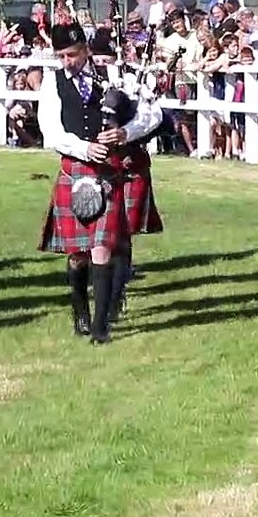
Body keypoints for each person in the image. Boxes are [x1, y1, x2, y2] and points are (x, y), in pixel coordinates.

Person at [37, 21, 160, 344]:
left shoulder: (112, 77)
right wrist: (84, 147)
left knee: (102, 249)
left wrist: (126, 132)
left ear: (86, 50)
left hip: (108, 174)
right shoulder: (52, 84)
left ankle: (101, 326)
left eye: (73, 54)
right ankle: (80, 310)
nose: (68, 61)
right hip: (74, 171)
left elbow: (151, 114)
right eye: (62, 56)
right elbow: (51, 132)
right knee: (78, 254)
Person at [95, 31, 163, 320]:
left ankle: (116, 294)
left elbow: (153, 116)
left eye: (105, 57)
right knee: (103, 238)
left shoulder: (134, 80)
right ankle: (106, 294)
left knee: (122, 237)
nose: (100, 62)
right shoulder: (86, 84)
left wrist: (126, 132)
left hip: (131, 162)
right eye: (96, 57)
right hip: (99, 164)